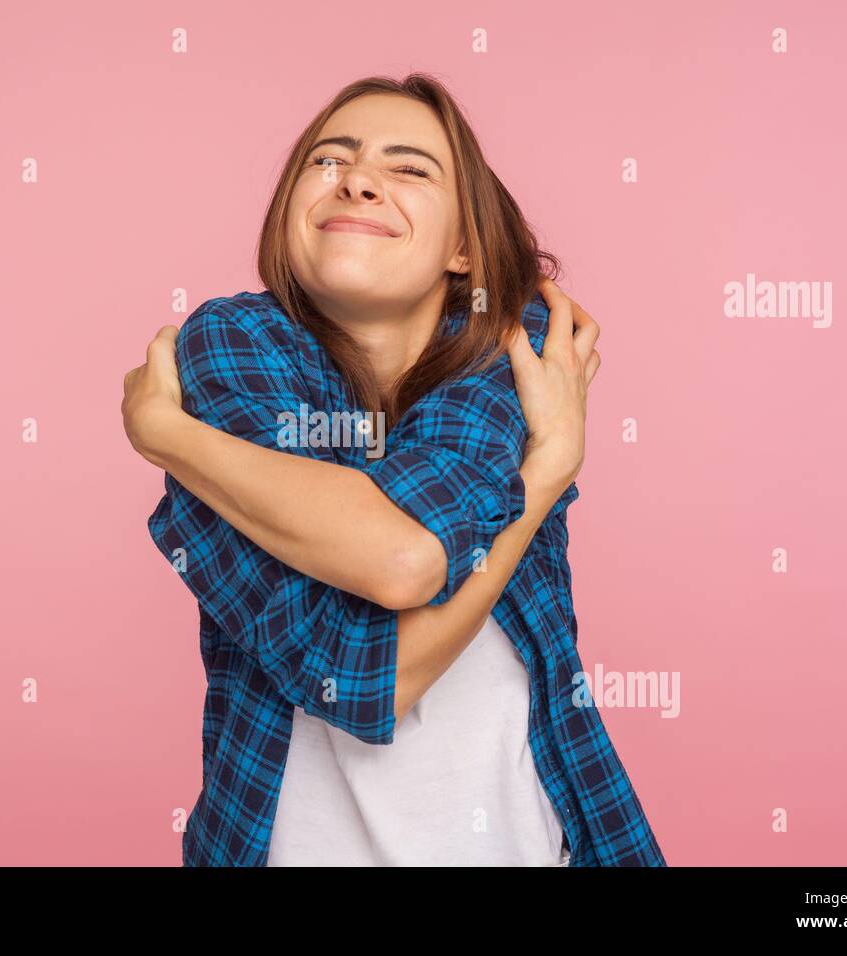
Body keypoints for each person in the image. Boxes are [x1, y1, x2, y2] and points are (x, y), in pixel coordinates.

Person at [122, 73, 665, 867]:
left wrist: (165, 435)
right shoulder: (228, 348)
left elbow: (403, 555)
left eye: (409, 169)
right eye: (327, 159)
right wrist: (544, 472)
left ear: (464, 248)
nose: (359, 178)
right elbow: (368, 654)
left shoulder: (513, 350)